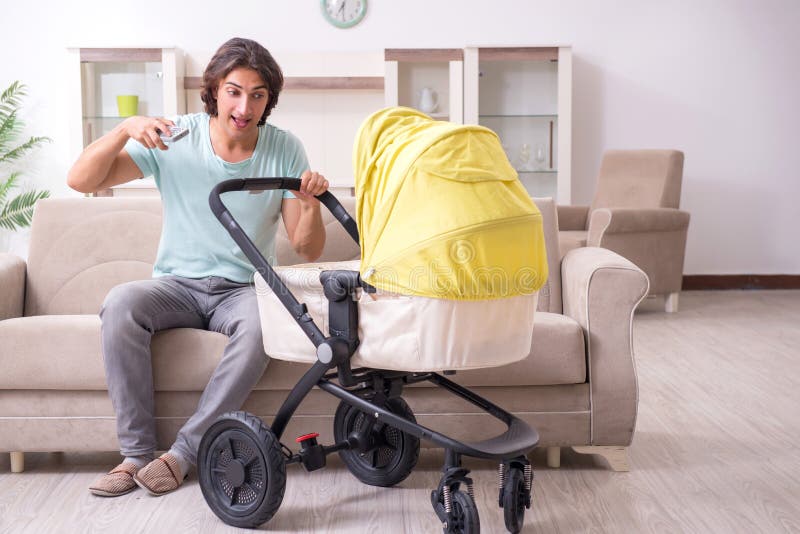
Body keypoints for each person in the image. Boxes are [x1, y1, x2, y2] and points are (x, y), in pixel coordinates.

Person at [67, 37, 328, 497]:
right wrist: (125, 128)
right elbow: (80, 180)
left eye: (257, 94)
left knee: (266, 322)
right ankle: (135, 456)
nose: (244, 106)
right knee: (120, 303)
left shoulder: (285, 148)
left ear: (269, 100)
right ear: (214, 90)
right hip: (177, 285)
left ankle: (183, 454)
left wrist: (309, 205)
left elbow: (307, 249)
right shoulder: (176, 136)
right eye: (234, 90)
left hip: (243, 289)